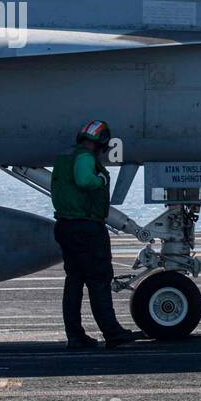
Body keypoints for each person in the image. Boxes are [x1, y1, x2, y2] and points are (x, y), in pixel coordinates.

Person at [50, 121, 143, 350]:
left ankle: (75, 335)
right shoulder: (84, 158)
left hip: (66, 226)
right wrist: (100, 179)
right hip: (86, 228)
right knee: (98, 280)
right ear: (101, 142)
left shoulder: (64, 157)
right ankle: (112, 333)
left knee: (74, 281)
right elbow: (84, 180)